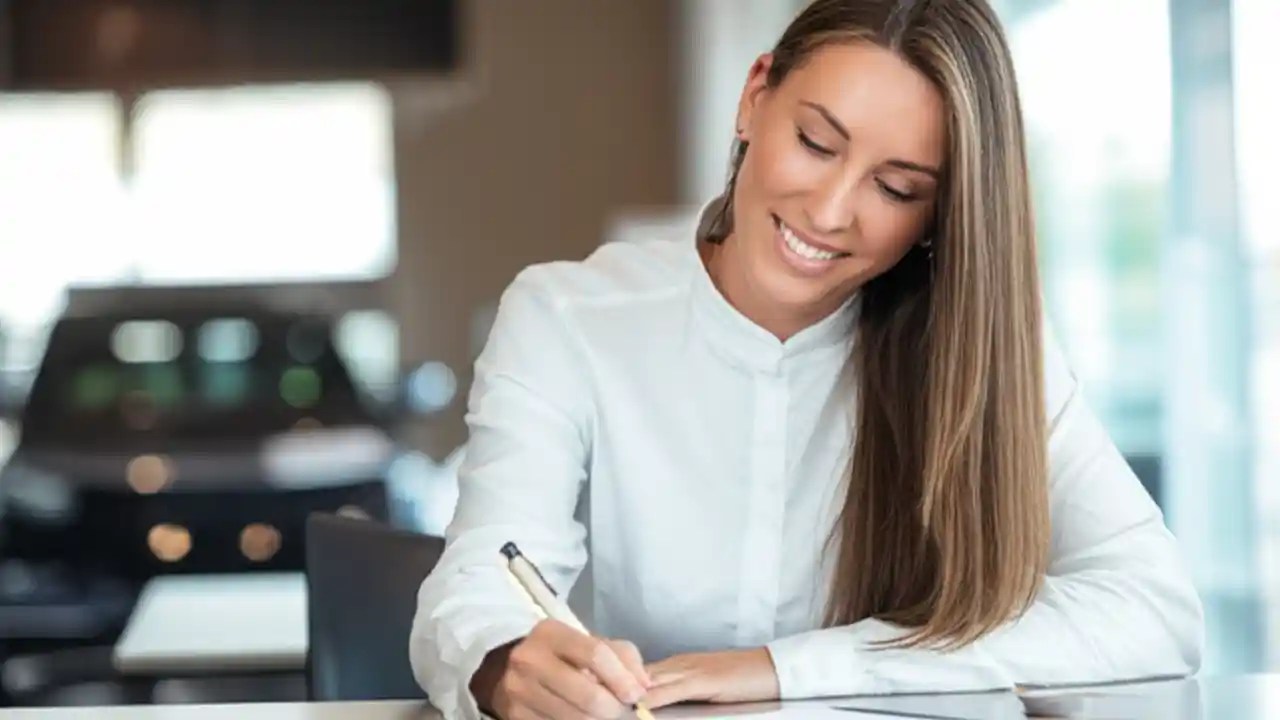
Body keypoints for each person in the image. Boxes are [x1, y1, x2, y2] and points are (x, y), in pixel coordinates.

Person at [409, 1, 1205, 718]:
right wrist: (505, 663)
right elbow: (484, 578)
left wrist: (784, 670)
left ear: (939, 214)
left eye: (895, 189)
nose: (829, 213)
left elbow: (1151, 610)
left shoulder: (984, 347)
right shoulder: (566, 318)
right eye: (816, 142)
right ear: (755, 98)